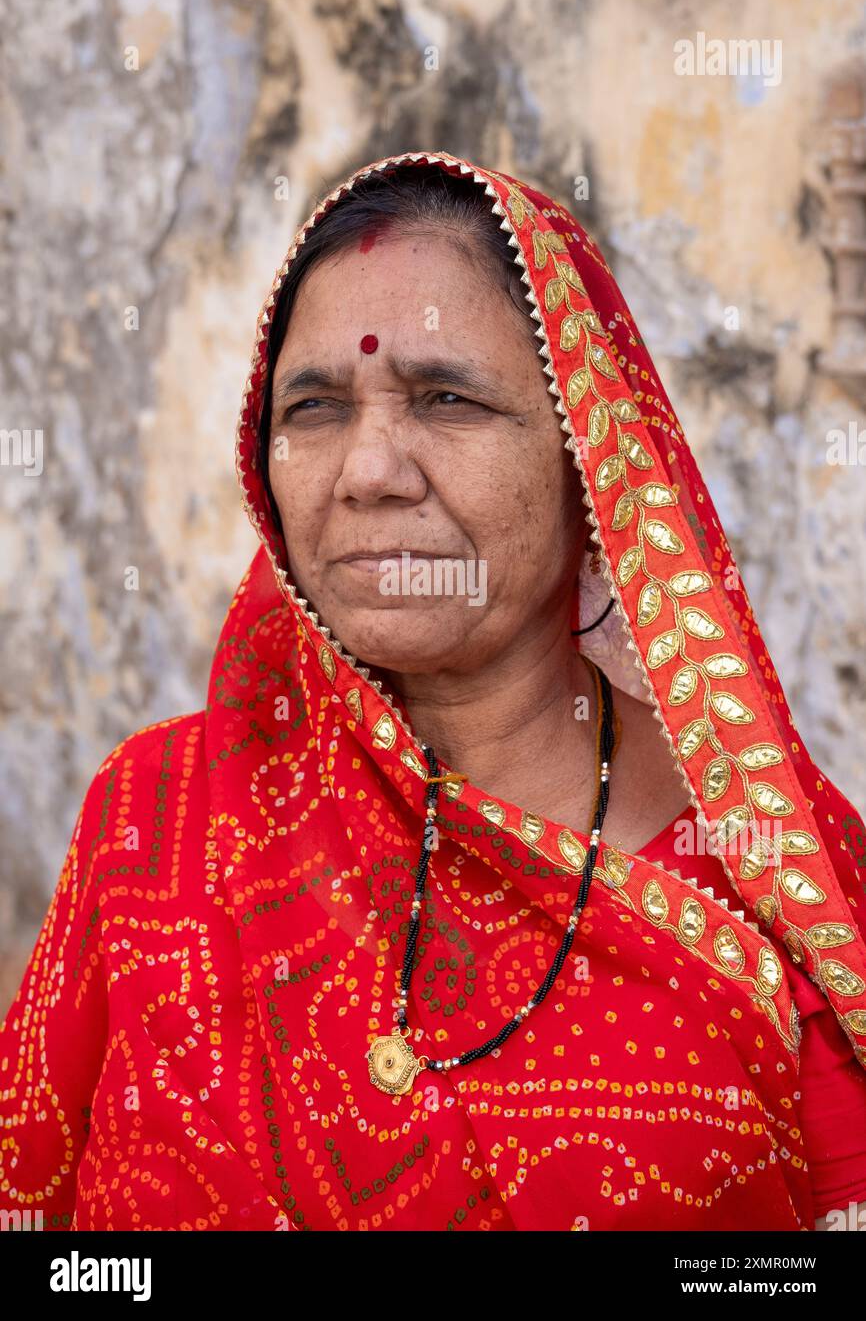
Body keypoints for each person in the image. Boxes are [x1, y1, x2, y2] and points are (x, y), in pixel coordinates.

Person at [2, 150, 866, 1232]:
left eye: (446, 398)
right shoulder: (155, 822)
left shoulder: (766, 873)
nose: (367, 469)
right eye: (313, 406)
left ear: (584, 458)